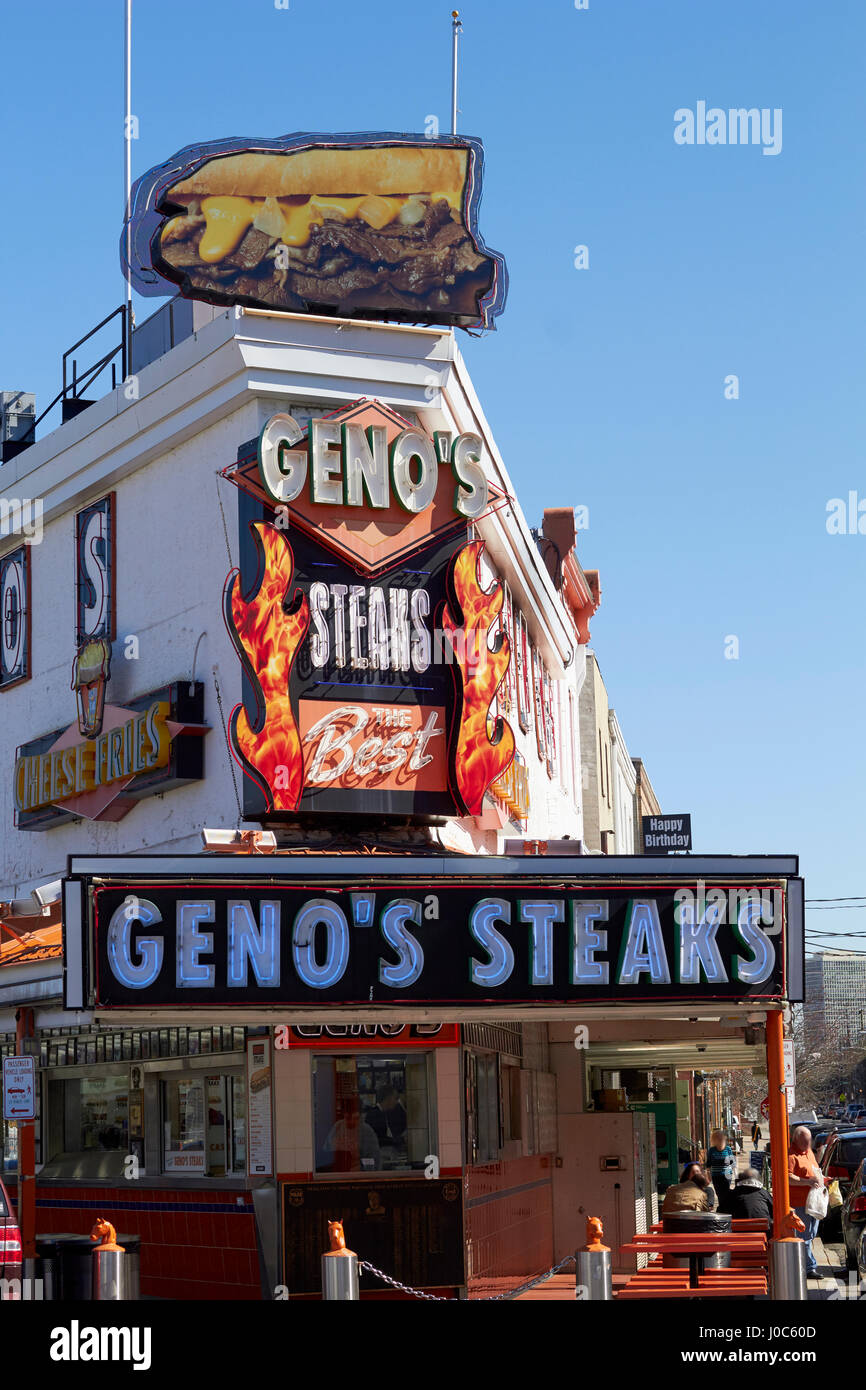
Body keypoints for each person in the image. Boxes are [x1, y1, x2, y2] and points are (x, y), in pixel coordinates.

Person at [788, 1124, 824, 1278]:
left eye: (809, 1141)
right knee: (805, 1235)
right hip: (799, 1202)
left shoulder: (808, 1152)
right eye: (804, 1142)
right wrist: (807, 1181)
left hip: (813, 1201)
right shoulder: (791, 1155)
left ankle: (806, 1264)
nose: (808, 1145)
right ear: (795, 1140)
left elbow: (814, 1171)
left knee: (811, 1234)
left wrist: (822, 1180)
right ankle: (809, 1267)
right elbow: (788, 1177)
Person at [707, 1129, 737, 1206]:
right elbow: (708, 1164)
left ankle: (725, 1208)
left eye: (721, 1138)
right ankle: (723, 1208)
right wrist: (708, 1175)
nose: (720, 1139)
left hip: (727, 1175)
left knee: (725, 1193)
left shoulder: (728, 1149)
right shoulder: (711, 1150)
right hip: (715, 1176)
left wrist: (736, 1175)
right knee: (719, 1194)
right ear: (714, 1139)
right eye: (718, 1138)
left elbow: (733, 1163)